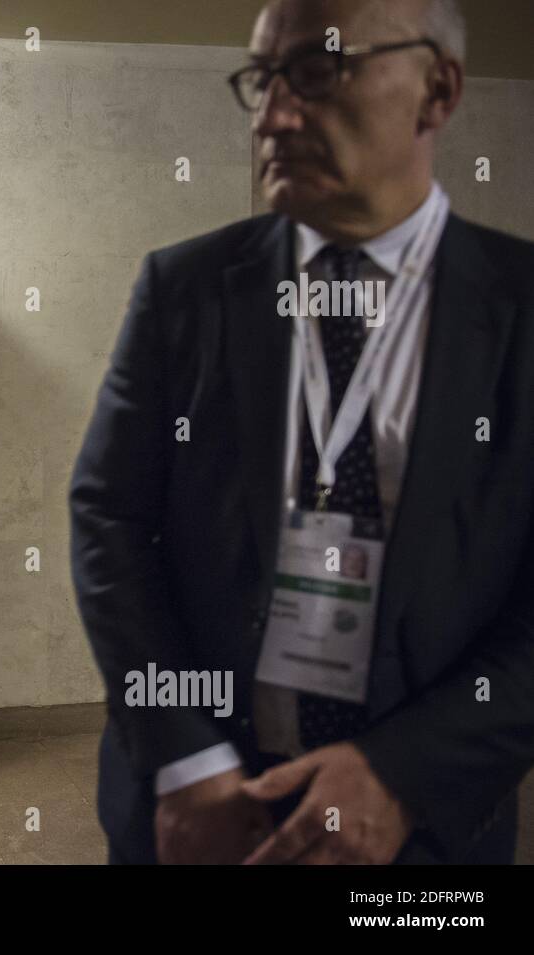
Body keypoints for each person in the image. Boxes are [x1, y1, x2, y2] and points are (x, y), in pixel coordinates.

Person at [70, 0, 534, 864]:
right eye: (262, 80)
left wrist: (403, 773)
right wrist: (187, 754)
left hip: (424, 832)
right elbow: (109, 519)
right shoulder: (186, 288)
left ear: (437, 90)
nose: (273, 115)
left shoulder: (521, 309)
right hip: (198, 811)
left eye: (317, 72)